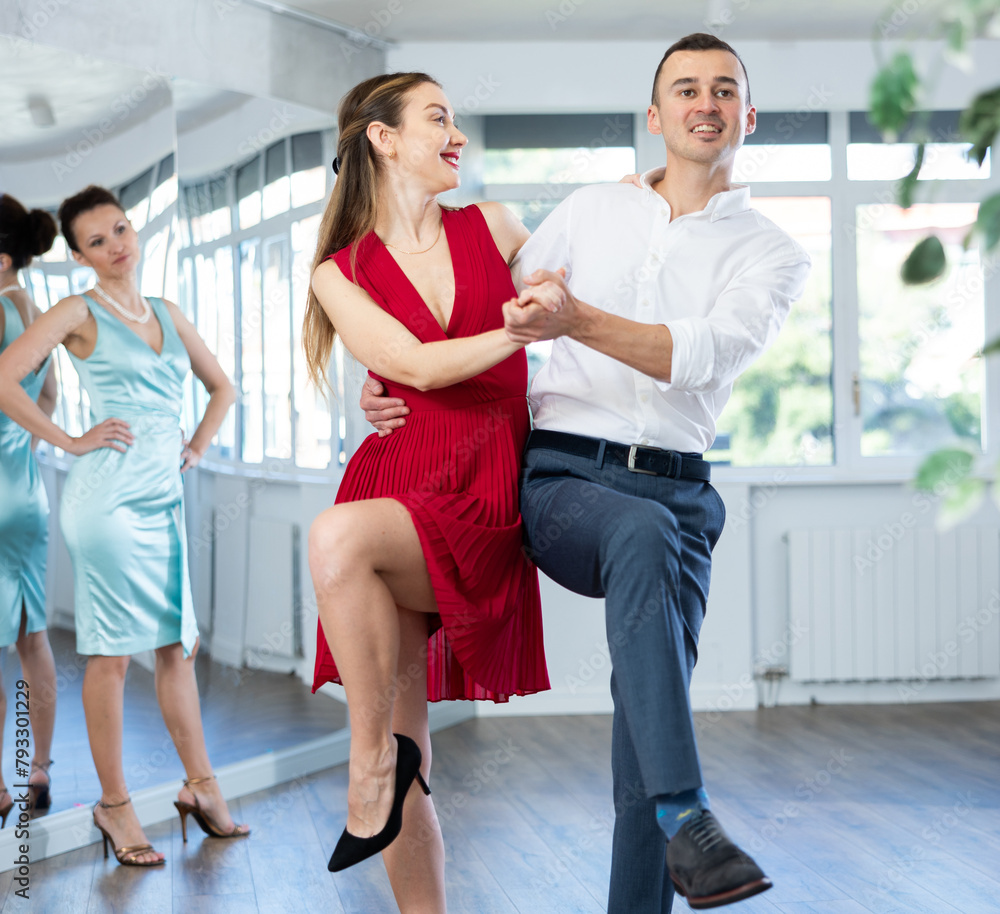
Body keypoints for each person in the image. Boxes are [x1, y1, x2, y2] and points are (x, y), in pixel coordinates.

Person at [362, 33, 811, 913]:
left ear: (748, 116)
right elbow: (474, 304)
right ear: (655, 115)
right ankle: (691, 811)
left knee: (646, 735)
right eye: (686, 88)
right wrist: (385, 379)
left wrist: (576, 320)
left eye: (724, 90)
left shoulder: (772, 251)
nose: (706, 103)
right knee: (638, 537)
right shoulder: (588, 210)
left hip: (681, 496)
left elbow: (699, 356)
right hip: (566, 482)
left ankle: (671, 818)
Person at [302, 72, 548, 911]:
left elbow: (574, 298)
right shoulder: (338, 273)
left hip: (484, 491)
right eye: (438, 118)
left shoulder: (496, 225)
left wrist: (620, 209)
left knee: (335, 535)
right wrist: (513, 332)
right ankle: (383, 772)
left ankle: (367, 762)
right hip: (398, 485)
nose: (457, 135)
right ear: (383, 138)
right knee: (410, 752)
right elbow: (409, 365)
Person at [0, 185, 247, 867]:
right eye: (97, 241)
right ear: (80, 256)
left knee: (175, 648)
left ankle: (203, 788)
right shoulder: (77, 310)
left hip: (163, 500)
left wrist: (196, 446)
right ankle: (114, 804)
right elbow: (5, 378)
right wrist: (68, 440)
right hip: (105, 503)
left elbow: (223, 387)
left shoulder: (167, 310)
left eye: (121, 229)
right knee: (111, 656)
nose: (116, 245)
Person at [0, 194, 60, 823]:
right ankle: (38, 770)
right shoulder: (34, 311)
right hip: (25, 489)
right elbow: (48, 397)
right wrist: (20, 449)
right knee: (31, 637)